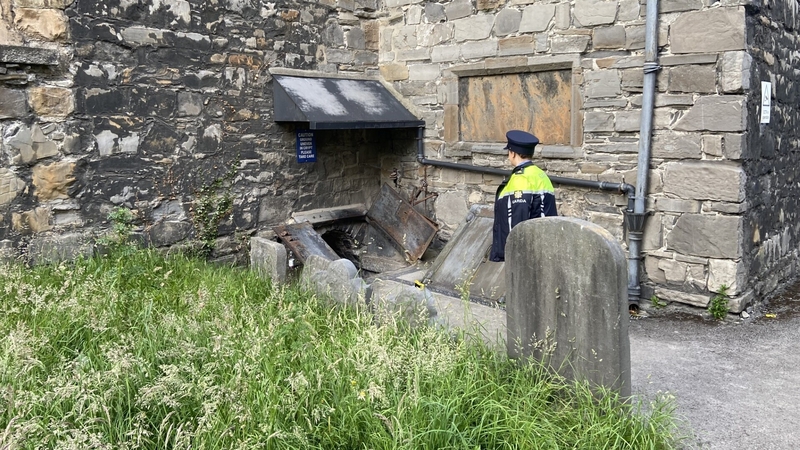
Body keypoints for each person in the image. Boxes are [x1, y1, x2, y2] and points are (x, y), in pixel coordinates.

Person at [490, 130, 557, 262]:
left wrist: (514, 254)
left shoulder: (521, 178)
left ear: (513, 153)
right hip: (543, 247)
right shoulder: (540, 175)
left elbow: (518, 219)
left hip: (527, 254)